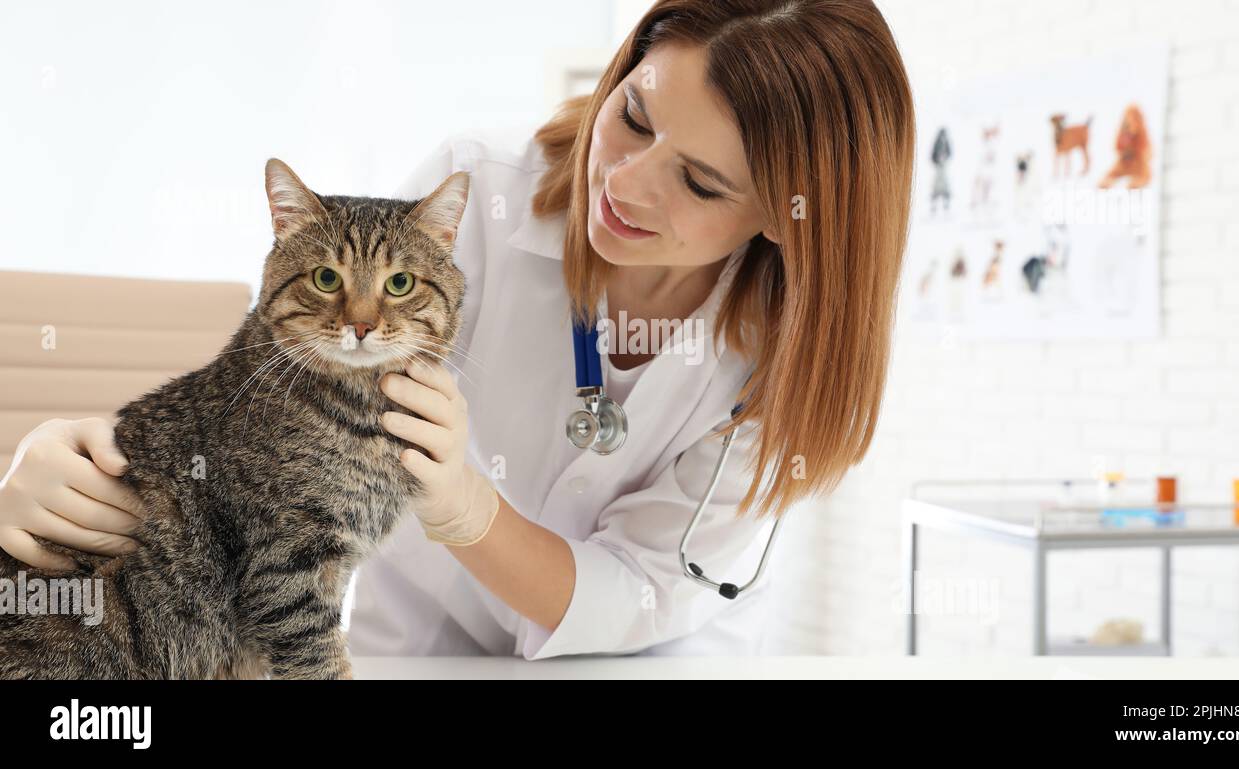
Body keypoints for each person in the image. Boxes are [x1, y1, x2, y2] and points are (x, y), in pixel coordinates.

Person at [0, 0, 915, 659]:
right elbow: (273, 401)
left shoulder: (777, 364)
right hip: (418, 654)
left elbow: (636, 594)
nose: (626, 184)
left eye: (702, 183)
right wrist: (67, 450)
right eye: (632, 116)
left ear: (788, 215)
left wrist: (469, 511)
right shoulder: (474, 189)